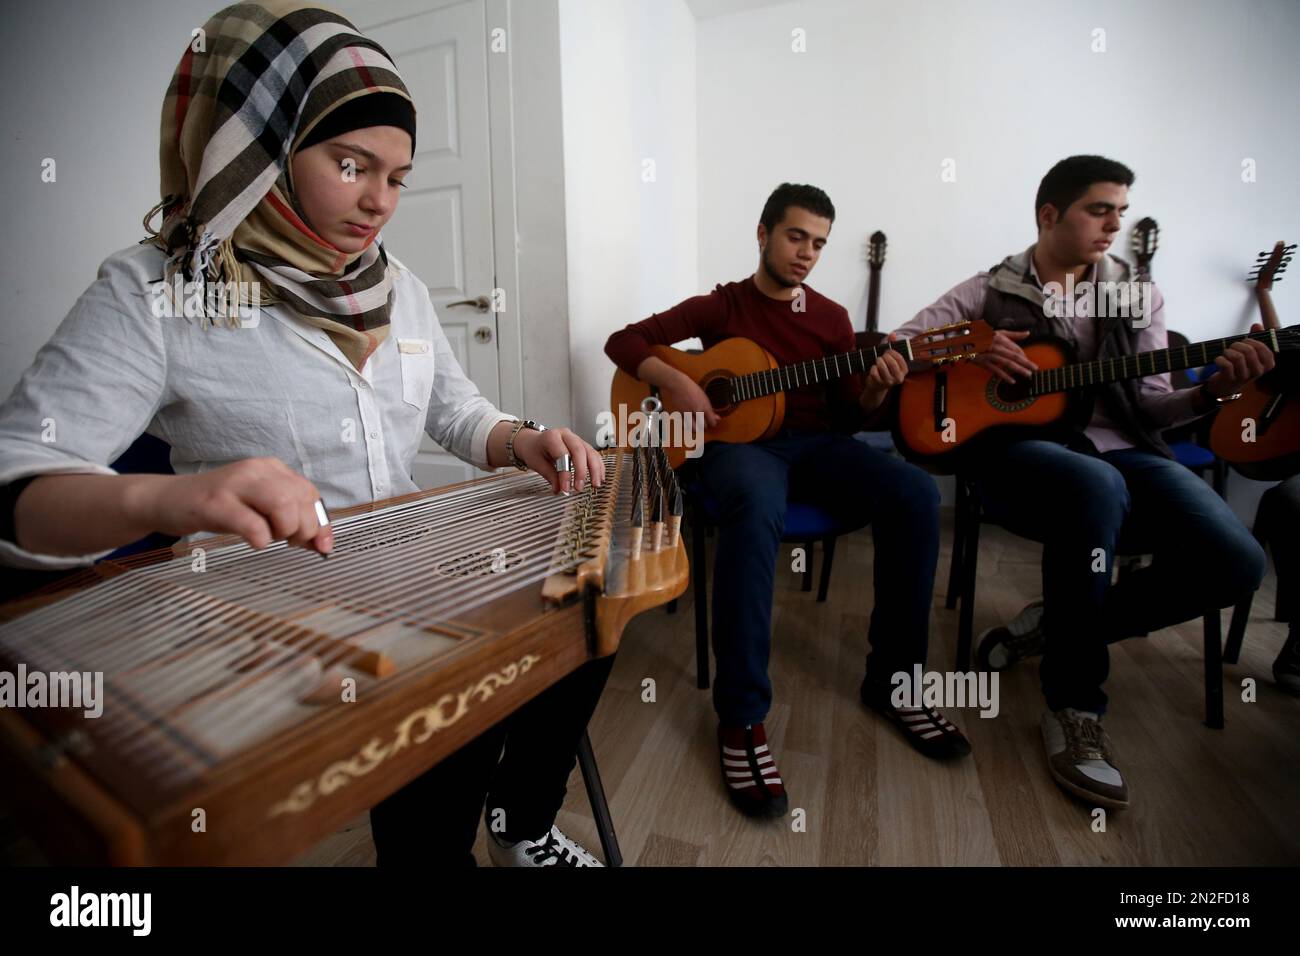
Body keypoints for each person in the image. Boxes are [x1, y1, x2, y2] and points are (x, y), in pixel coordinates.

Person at [0, 1, 608, 868]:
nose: (379, 202)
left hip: (407, 576)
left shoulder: (400, 288)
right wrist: (165, 498)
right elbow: (16, 476)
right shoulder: (161, 292)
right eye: (350, 163)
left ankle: (521, 824)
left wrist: (522, 440)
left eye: (397, 176)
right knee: (441, 770)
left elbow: (457, 413)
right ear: (259, 150)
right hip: (267, 616)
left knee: (587, 613)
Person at [894, 155, 1275, 810]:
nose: (1114, 225)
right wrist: (967, 344)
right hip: (1023, 457)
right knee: (1093, 485)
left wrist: (1213, 390)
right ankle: (1074, 708)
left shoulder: (1135, 294)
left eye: (1121, 212)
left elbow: (1156, 404)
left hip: (1127, 452)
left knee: (1238, 559)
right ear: (1049, 215)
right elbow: (899, 345)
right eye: (1100, 210)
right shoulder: (992, 289)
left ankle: (1058, 625)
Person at [604, 183, 970, 821]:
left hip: (813, 444)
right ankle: (742, 718)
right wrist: (679, 383)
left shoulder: (829, 319)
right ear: (764, 233)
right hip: (737, 450)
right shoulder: (721, 306)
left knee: (913, 491)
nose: (807, 253)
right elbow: (625, 342)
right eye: (797, 236)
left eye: (819, 244)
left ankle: (894, 682)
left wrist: (879, 391)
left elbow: (849, 417)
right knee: (752, 504)